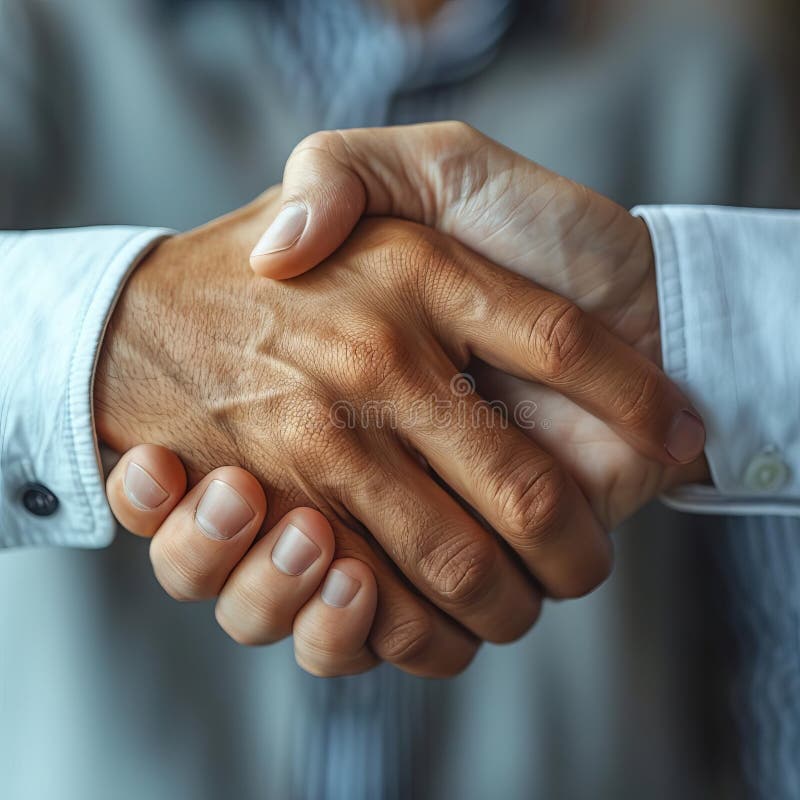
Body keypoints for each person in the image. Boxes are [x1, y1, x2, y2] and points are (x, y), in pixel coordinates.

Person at [1, 1, 796, 798]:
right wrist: (125, 330)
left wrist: (687, 338)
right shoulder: (39, 27)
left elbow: (781, 641)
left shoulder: (704, 63)